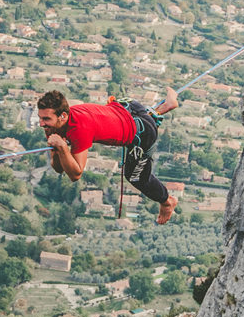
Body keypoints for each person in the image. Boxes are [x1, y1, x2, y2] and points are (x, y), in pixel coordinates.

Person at [36, 87, 179, 223]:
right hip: (128, 106)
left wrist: (62, 147)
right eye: (40, 118)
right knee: (142, 120)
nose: (41, 124)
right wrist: (57, 149)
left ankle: (167, 201)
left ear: (63, 116)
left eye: (46, 119)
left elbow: (75, 174)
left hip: (142, 132)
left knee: (136, 177)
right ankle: (167, 106)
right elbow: (59, 168)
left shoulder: (79, 129)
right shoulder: (56, 123)